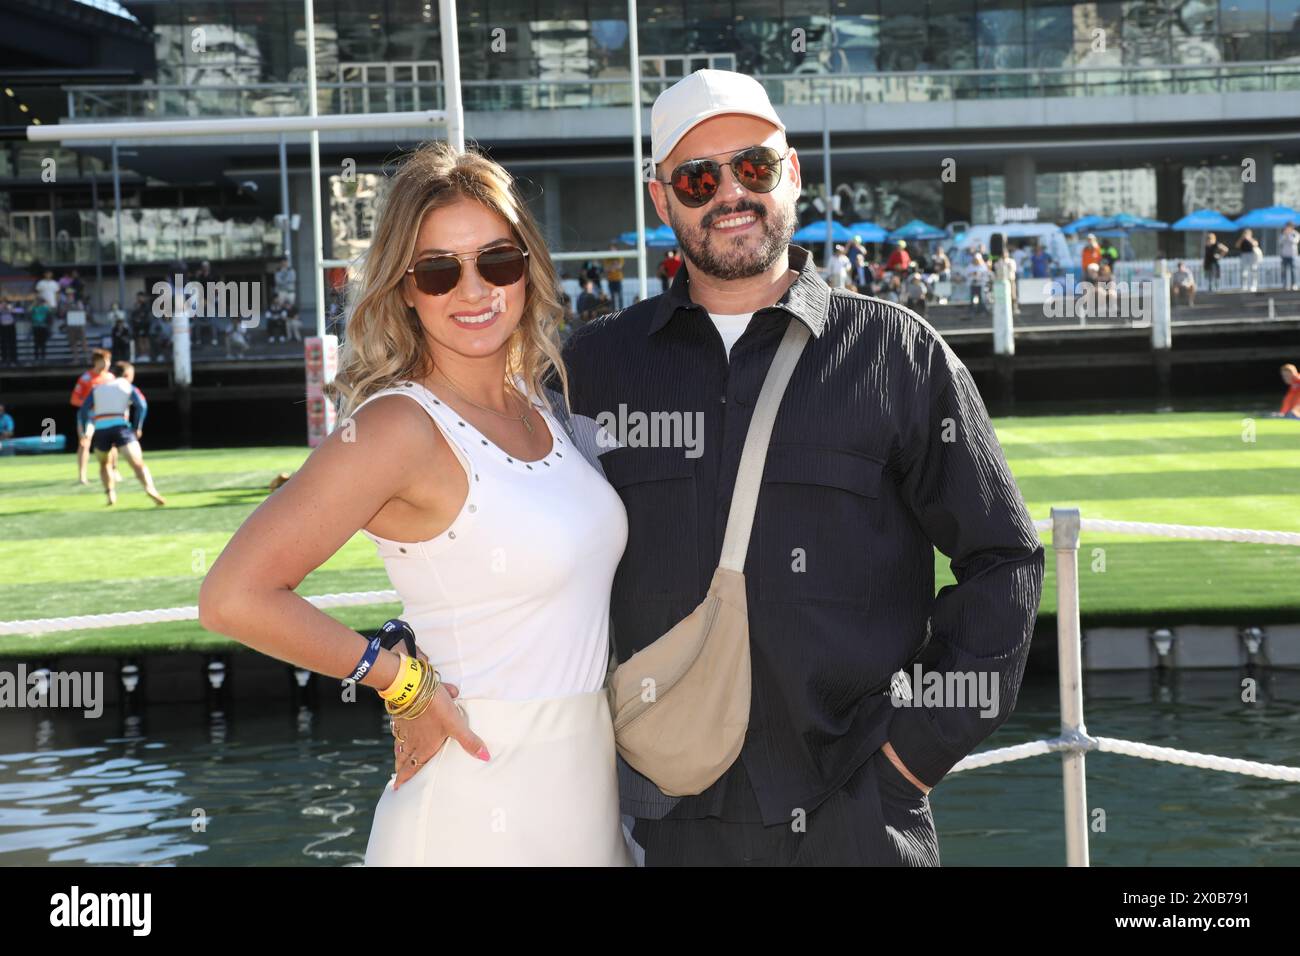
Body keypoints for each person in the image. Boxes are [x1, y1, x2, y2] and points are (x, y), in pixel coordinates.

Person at [563, 69, 1043, 866]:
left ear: (794, 173)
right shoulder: (590, 368)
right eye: (697, 177)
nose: (730, 194)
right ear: (662, 200)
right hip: (660, 823)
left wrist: (907, 761)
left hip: (856, 817)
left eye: (753, 166)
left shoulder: (899, 353)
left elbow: (1006, 563)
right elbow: (508, 527)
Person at [197, 140, 632, 867]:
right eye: (438, 271)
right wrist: (401, 681)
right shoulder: (397, 427)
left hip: (585, 801)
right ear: (403, 287)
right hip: (470, 808)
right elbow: (233, 596)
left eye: (498, 260)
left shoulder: (539, 403)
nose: (474, 290)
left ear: (527, 267)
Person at [77, 361, 165, 507]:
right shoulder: (128, 386)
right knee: (137, 463)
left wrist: (86, 430)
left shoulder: (97, 388)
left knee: (104, 463)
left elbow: (83, 410)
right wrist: (137, 427)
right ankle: (150, 488)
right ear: (127, 375)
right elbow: (142, 406)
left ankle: (110, 492)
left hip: (101, 429)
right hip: (121, 427)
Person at [70, 349, 120, 485]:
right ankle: (82, 476)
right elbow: (74, 399)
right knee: (84, 444)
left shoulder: (110, 378)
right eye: (104, 361)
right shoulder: (86, 378)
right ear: (96, 362)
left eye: (108, 361)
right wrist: (90, 404)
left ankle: (114, 471)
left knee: (113, 442)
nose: (107, 364)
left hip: (105, 415)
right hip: (88, 416)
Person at [1236, 229, 1262, 293]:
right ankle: (1244, 286)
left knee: (1253, 270)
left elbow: (1255, 244)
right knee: (1244, 272)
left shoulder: (1253, 239)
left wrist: (1249, 239)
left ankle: (1253, 286)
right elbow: (1237, 245)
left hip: (1251, 255)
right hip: (1244, 255)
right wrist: (1242, 239)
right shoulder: (1242, 240)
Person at [129, 291, 153, 362]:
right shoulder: (136, 306)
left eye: (140, 297)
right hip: (137, 326)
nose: (139, 298)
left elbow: (147, 316)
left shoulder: (146, 306)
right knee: (139, 340)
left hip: (145, 326)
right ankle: (142, 355)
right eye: (138, 297)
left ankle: (147, 355)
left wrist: (141, 319)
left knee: (145, 340)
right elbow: (133, 315)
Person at [29, 298, 52, 363]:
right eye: (39, 302)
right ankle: (36, 357)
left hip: (43, 327)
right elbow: (29, 310)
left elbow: (51, 311)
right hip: (36, 327)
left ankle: (43, 357)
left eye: (41, 302)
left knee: (43, 343)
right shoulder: (34, 308)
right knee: (36, 343)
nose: (40, 303)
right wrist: (33, 304)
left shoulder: (45, 308)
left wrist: (47, 303)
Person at [1281, 222, 1299, 291]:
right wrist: (1285, 235)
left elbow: (1295, 241)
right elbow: (1280, 242)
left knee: (1293, 271)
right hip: (1284, 255)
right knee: (1284, 271)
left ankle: (1293, 284)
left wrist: (1288, 235)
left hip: (1292, 255)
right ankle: (1284, 285)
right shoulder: (1283, 234)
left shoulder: (1295, 234)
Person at [0, 297, 16, 366]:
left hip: (10, 327)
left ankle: (13, 359)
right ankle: (4, 359)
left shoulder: (10, 306)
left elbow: (16, 311)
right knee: (3, 344)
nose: (4, 303)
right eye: (3, 302)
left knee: (12, 344)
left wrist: (9, 308)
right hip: (3, 327)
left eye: (5, 301)